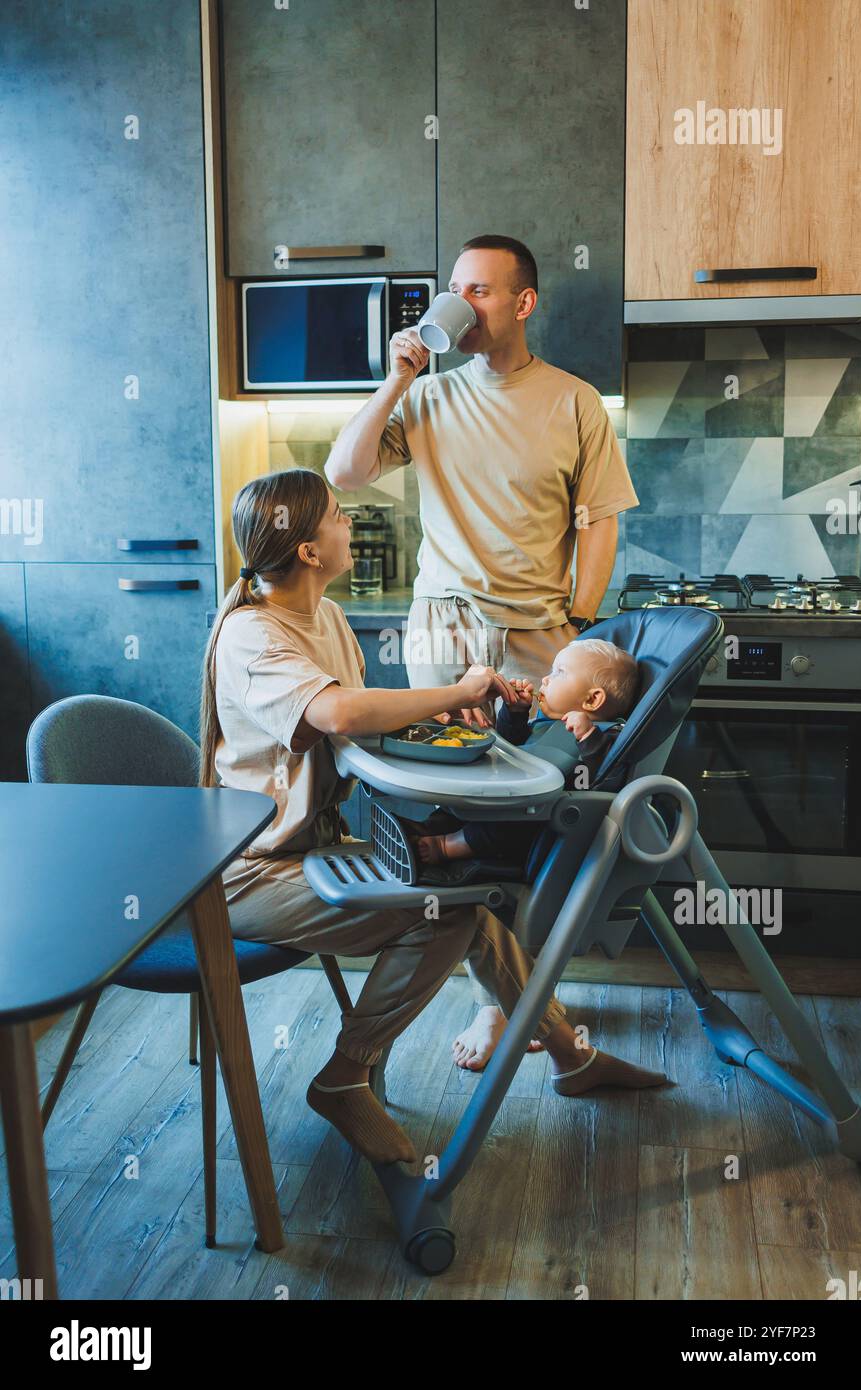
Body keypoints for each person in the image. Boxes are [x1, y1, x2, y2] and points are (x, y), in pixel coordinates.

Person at [200, 470, 666, 1167]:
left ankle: (571, 1056)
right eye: (337, 517)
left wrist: (436, 710)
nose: (349, 525)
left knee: (470, 901)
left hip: (307, 846)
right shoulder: (250, 635)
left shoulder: (322, 616)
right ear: (306, 551)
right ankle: (344, 1076)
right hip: (247, 873)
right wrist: (455, 688)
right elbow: (335, 714)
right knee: (445, 913)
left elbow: (352, 718)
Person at [325, 232, 640, 1069]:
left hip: (542, 640)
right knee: (454, 812)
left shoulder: (574, 402)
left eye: (481, 291)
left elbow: (600, 517)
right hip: (444, 633)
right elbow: (344, 471)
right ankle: (497, 1000)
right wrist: (397, 375)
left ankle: (526, 990)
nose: (461, 303)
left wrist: (577, 615)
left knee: (535, 821)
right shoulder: (427, 399)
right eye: (455, 287)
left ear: (523, 303)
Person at [416, 639, 639, 870]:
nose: (545, 678)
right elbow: (511, 745)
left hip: (535, 819)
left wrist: (588, 738)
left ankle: (447, 846)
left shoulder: (606, 737)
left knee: (503, 825)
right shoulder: (547, 722)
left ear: (592, 699)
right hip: (506, 791)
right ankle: (426, 829)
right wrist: (515, 713)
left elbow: (607, 780)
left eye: (559, 672)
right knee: (456, 805)